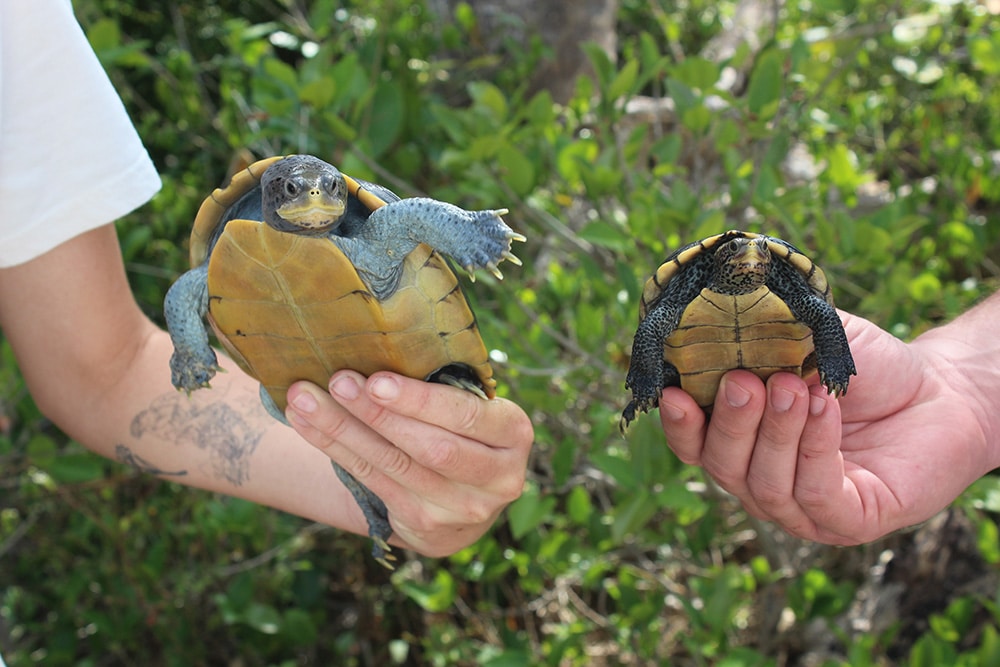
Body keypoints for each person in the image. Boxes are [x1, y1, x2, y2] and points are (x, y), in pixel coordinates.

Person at [0, 0, 533, 573]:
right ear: (273, 197)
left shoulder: (370, 241)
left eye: (329, 189)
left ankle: (378, 498)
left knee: (344, 417)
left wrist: (430, 489)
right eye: (297, 192)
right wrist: (191, 350)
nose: (317, 201)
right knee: (304, 421)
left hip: (410, 355)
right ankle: (369, 497)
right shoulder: (235, 248)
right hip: (306, 376)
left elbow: (108, 367)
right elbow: (188, 294)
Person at [657, 296, 1000, 545]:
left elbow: (819, 310)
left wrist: (965, 391)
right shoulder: (687, 288)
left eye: (762, 251)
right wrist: (959, 387)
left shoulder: (781, 284)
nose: (752, 255)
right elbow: (655, 323)